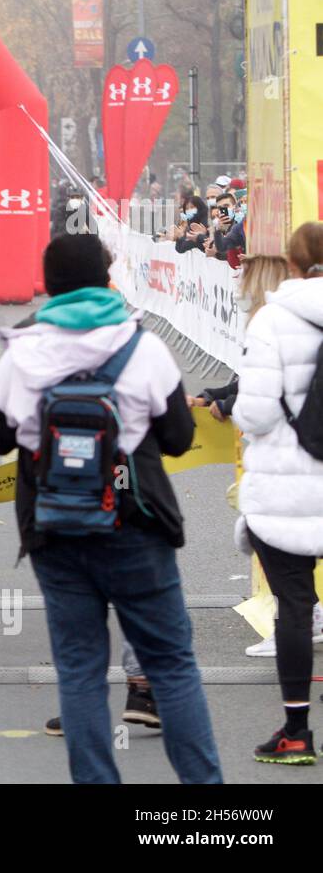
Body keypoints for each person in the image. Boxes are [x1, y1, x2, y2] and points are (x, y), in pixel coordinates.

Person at [0, 232, 222, 784]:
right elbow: (181, 438)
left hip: (55, 528)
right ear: (107, 278)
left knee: (80, 670)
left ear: (51, 284)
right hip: (137, 525)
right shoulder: (142, 347)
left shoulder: (23, 351)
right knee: (171, 664)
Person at [233, 223, 323, 764]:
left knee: (294, 608)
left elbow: (259, 411)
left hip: (285, 489)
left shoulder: (273, 319)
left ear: (290, 264)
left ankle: (296, 732)